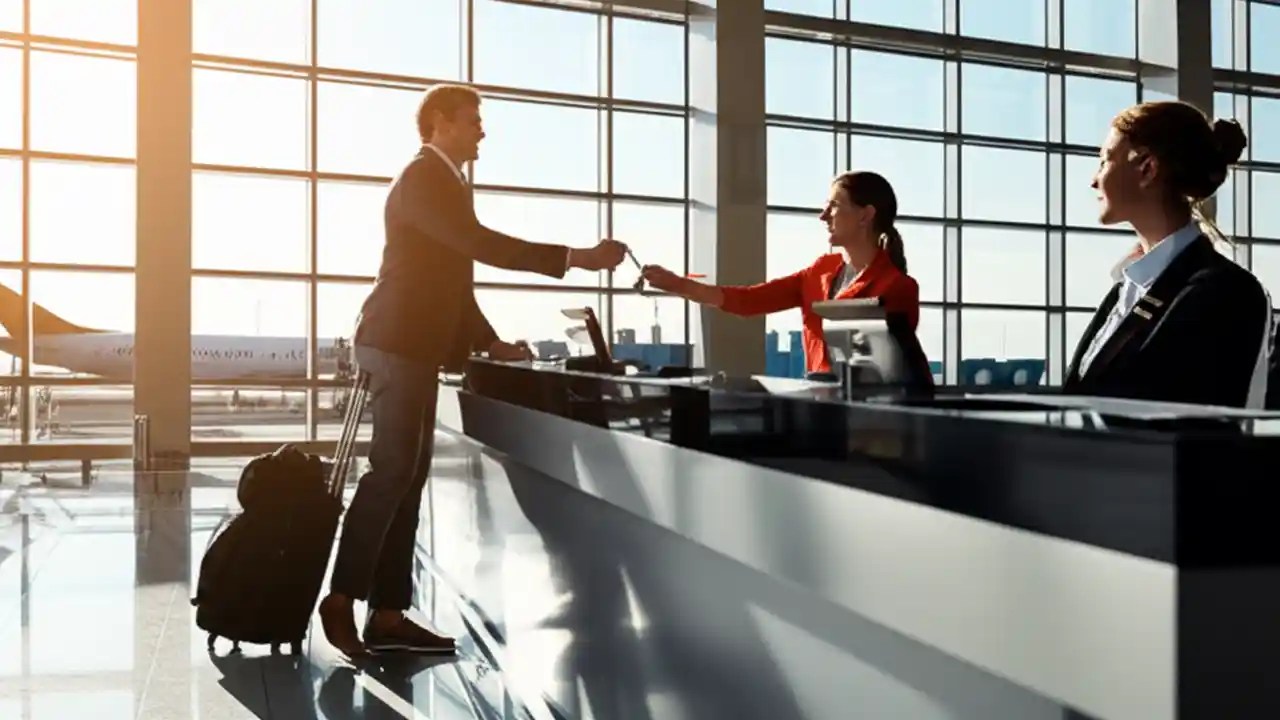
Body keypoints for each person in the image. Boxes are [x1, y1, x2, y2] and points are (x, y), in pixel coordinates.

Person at [317, 83, 627, 658]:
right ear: (438, 123)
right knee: (391, 472)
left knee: (407, 476)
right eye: (471, 121)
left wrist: (490, 341)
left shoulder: (445, 184)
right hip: (397, 342)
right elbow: (479, 244)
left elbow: (453, 280)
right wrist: (576, 258)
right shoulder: (423, 178)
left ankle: (387, 614)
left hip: (414, 345)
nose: (482, 131)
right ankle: (340, 600)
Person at [1063, 100, 1272, 408]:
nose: (1094, 180)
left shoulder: (1225, 292)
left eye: (1105, 161)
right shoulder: (1130, 286)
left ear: (1147, 168)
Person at [641, 171, 919, 375]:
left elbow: (890, 369)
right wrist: (679, 285)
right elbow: (750, 301)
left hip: (870, 419)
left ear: (865, 215)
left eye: (834, 205)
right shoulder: (819, 272)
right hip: (824, 408)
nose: (823, 216)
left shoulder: (896, 286)